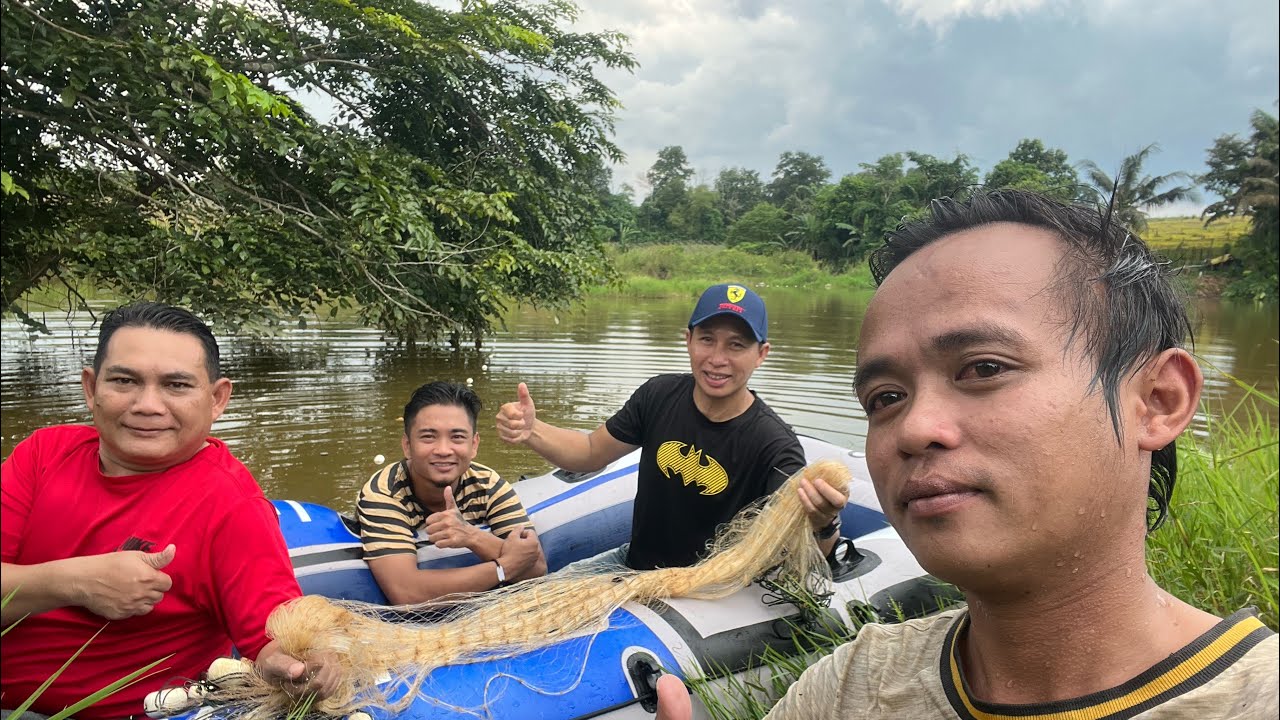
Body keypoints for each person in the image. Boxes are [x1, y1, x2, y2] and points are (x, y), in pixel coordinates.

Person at [655, 190, 1278, 720]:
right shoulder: (850, 687)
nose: (914, 428)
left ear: (1158, 400)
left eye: (984, 368)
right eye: (886, 396)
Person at [1, 302, 336, 720]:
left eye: (176, 386)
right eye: (125, 380)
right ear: (91, 388)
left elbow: (274, 639)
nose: (147, 405)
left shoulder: (233, 507)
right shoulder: (43, 454)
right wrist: (74, 581)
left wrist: (302, 666)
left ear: (217, 399)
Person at [496, 282, 847, 572]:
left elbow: (807, 554)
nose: (717, 359)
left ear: (762, 354)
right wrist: (532, 431)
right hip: (633, 566)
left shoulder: (773, 445)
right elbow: (589, 452)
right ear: (688, 340)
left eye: (736, 345)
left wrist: (825, 521)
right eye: (707, 339)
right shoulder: (659, 395)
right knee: (535, 605)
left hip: (710, 595)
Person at [357, 381, 545, 604]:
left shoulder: (488, 485)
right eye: (428, 436)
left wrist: (471, 536)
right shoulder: (383, 493)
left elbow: (537, 568)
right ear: (407, 446)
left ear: (474, 445)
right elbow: (407, 593)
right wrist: (503, 568)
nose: (444, 450)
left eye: (457, 437)